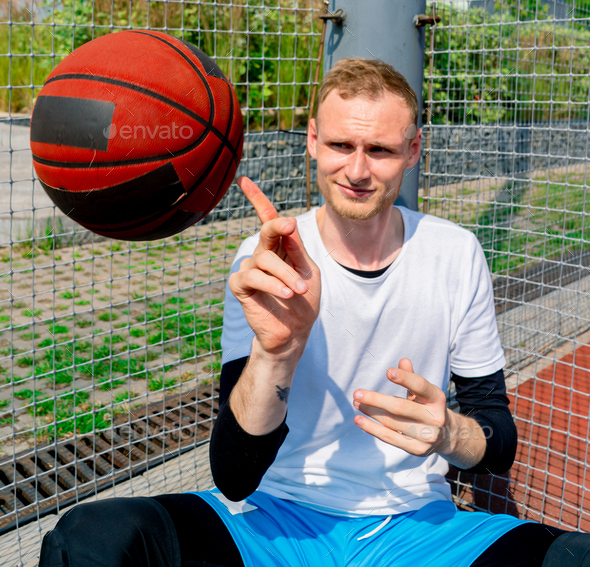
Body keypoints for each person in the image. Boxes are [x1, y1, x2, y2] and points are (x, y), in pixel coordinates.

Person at [40, 58, 589, 567]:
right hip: (275, 518)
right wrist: (277, 352)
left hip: (416, 525)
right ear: (311, 141)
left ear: (414, 149)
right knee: (94, 537)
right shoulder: (270, 258)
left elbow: (497, 439)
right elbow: (234, 476)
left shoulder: (454, 252)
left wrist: (449, 434)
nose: (356, 169)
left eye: (379, 150)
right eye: (340, 145)